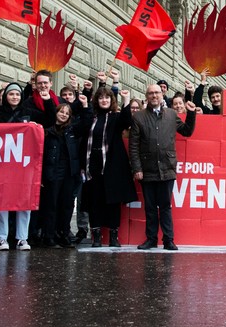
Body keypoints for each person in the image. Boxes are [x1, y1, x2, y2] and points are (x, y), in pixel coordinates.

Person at [125, 83, 197, 250]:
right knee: (150, 207)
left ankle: (168, 240)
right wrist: (137, 169)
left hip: (167, 167)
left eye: (157, 93)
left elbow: (187, 131)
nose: (154, 96)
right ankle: (151, 239)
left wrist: (192, 113)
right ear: (147, 96)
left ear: (162, 96)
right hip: (147, 169)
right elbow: (133, 146)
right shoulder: (139, 117)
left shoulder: (171, 115)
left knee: (165, 206)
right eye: (151, 93)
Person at [79, 86, 137, 247]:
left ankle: (113, 237)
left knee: (113, 201)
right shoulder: (93, 117)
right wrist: (84, 107)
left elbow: (127, 122)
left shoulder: (115, 117)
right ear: (97, 101)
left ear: (111, 100)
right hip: (93, 163)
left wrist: (126, 100)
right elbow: (82, 131)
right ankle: (96, 236)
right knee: (94, 200)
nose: (104, 100)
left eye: (107, 97)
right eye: (101, 97)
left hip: (112, 165)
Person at [0, 83, 34, 251]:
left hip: (24, 164)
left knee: (24, 201)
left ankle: (22, 238)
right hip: (3, 163)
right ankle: (2, 238)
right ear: (5, 96)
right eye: (11, 94)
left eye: (17, 94)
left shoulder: (28, 113)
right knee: (2, 200)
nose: (14, 97)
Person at [39, 98, 88, 248]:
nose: (64, 115)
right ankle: (49, 235)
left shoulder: (72, 130)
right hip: (52, 173)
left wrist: (85, 106)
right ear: (56, 113)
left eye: (67, 113)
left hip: (69, 173)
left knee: (66, 205)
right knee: (51, 205)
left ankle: (64, 234)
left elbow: (86, 123)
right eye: (61, 111)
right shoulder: (47, 132)